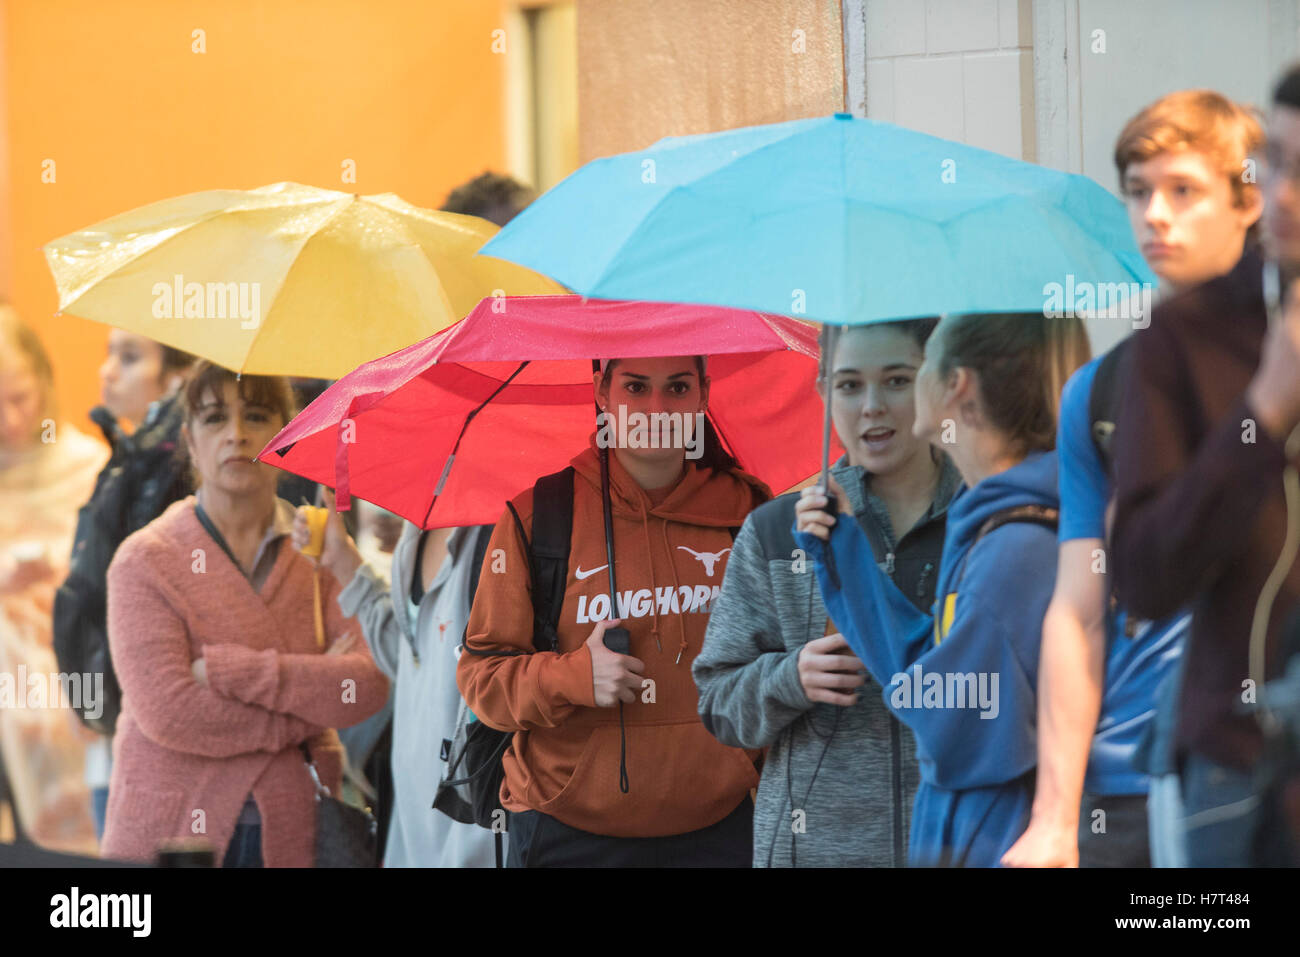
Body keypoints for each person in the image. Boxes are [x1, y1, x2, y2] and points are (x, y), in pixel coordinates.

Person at [1003, 90, 1264, 868]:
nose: (1155, 215)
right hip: (1126, 782)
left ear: (1249, 199)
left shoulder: (1281, 361)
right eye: (1139, 191)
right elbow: (1078, 608)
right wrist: (1054, 817)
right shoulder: (1101, 391)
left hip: (1261, 760)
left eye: (1183, 190)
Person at [794, 313, 1089, 867]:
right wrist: (844, 553)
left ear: (956, 386)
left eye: (916, 367)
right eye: (849, 384)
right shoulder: (987, 523)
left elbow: (948, 724)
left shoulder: (1014, 551)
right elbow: (924, 666)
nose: (876, 403)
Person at [302, 172, 536, 868]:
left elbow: (512, 697)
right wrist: (345, 566)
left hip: (480, 841)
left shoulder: (514, 510)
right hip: (412, 838)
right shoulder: (424, 513)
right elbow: (412, 659)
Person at [457, 355, 771, 866]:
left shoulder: (749, 514)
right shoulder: (540, 517)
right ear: (602, 392)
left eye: (677, 388)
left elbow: (783, 663)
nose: (657, 409)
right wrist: (572, 678)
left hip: (720, 830)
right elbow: (482, 680)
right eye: (635, 387)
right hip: (567, 834)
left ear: (703, 394)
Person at [1111, 65, 1300, 867]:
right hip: (1242, 764)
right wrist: (1264, 409)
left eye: (1183, 190)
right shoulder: (1183, 337)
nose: (1282, 193)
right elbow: (1138, 577)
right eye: (1277, 162)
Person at [693, 318, 961, 867]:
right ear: (823, 390)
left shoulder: (989, 519)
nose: (872, 407)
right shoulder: (774, 530)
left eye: (896, 380)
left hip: (962, 846)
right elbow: (719, 707)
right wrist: (790, 677)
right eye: (849, 385)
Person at [100, 361, 388, 866]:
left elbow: (365, 687)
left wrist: (224, 671)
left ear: (287, 435)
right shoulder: (145, 559)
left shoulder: (322, 550)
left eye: (256, 416)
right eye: (215, 418)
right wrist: (307, 705)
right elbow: (171, 713)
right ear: (191, 442)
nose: (236, 434)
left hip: (299, 828)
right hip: (175, 833)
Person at [56, 330, 194, 844]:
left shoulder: (172, 475)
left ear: (178, 378)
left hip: (148, 740)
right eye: (109, 354)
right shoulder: (127, 462)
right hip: (109, 736)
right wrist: (86, 698)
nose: (108, 371)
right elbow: (86, 592)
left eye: (130, 357)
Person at [0, 303, 108, 853]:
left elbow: (114, 576)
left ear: (43, 378)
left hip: (72, 667)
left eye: (19, 397)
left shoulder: (88, 464)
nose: (10, 420)